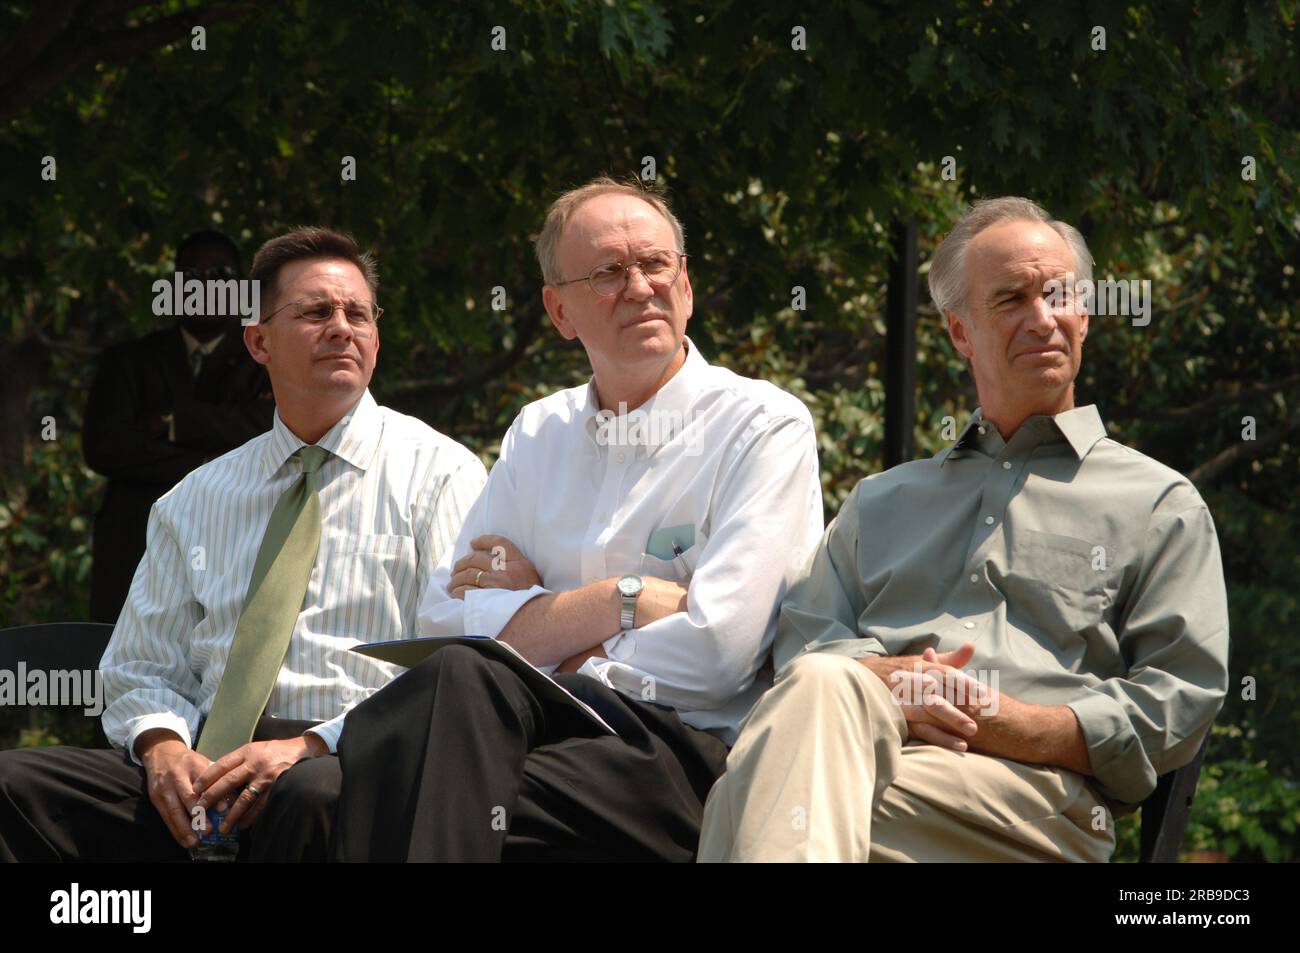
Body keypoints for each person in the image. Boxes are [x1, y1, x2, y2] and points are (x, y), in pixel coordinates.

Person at [697, 197, 1230, 862]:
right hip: (859, 759)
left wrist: (1014, 724)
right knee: (812, 713)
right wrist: (900, 685)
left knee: (750, 803)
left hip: (1031, 804)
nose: (1043, 319)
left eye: (1059, 294)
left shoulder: (1158, 503)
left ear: (1085, 315)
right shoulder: (880, 501)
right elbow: (806, 648)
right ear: (959, 332)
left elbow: (1178, 698)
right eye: (1011, 298)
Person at [331, 177, 825, 861]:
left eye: (655, 264)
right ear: (559, 310)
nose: (639, 286)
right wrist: (622, 601)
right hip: (524, 730)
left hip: (677, 747)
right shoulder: (539, 432)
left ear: (685, 284)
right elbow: (442, 621)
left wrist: (543, 629)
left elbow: (717, 653)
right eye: (609, 271)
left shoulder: (761, 427)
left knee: (398, 780)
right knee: (388, 745)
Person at [0, 227, 486, 862]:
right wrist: (161, 748)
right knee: (16, 785)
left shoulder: (441, 475)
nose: (342, 328)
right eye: (316, 312)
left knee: (306, 796)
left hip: (344, 759)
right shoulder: (194, 498)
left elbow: (460, 663)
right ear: (258, 340)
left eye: (358, 314)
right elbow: (140, 667)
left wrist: (313, 745)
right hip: (207, 762)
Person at [85, 229, 276, 623]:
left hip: (238, 545)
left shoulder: (267, 360)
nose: (204, 283)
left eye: (220, 272)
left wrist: (173, 423)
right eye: (192, 272)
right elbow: (105, 445)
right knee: (123, 670)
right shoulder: (128, 361)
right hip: (134, 545)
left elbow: (268, 427)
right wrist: (212, 458)